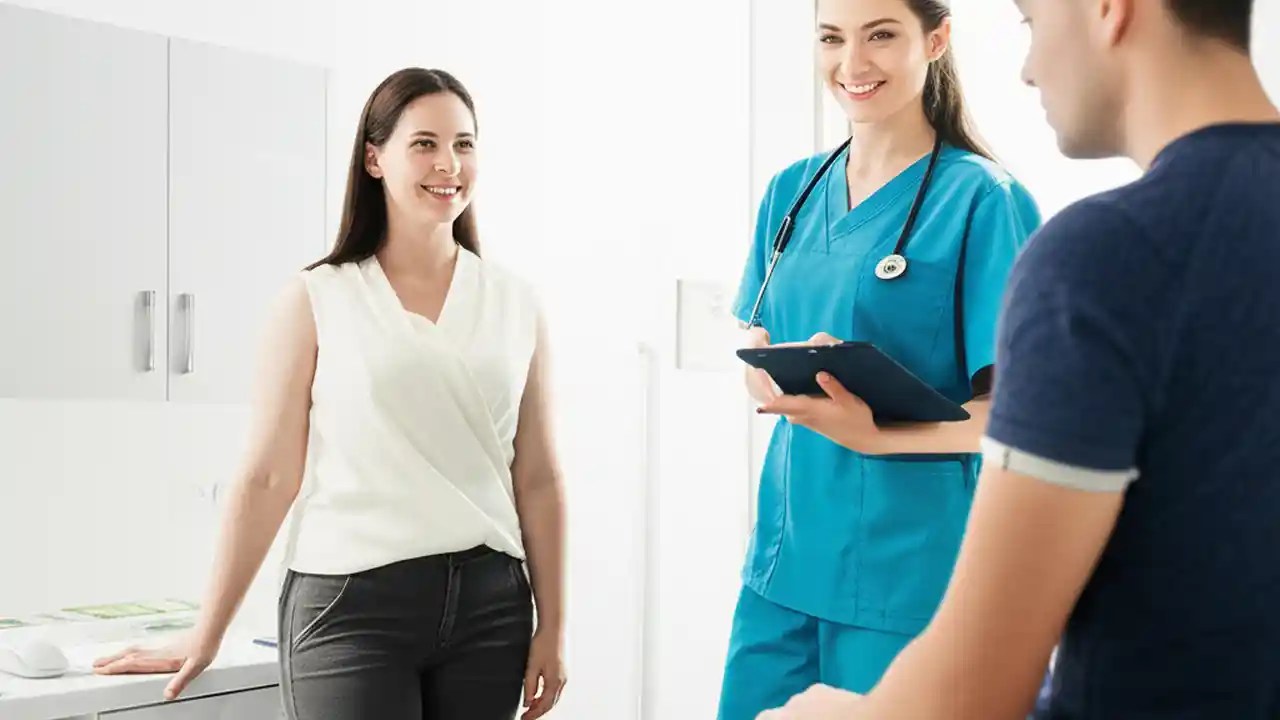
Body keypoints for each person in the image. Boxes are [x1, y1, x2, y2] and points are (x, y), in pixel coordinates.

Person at [759, 0, 1280, 718]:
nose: (1030, 69)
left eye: (1033, 21)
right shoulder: (796, 187)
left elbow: (973, 690)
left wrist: (815, 714)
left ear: (1109, 9)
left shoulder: (1103, 259)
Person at [90, 68, 569, 720]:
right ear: (375, 158)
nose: (448, 164)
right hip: (352, 604)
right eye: (423, 143)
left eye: (464, 143)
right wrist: (207, 632)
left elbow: (537, 478)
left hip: (492, 608)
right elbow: (267, 476)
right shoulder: (319, 297)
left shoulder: (516, 302)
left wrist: (553, 626)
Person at [716, 0, 1041, 717]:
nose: (851, 63)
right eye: (832, 38)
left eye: (881, 35)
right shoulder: (792, 191)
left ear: (936, 39)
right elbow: (758, 346)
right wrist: (775, 369)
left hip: (908, 574)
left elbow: (1020, 419)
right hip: (784, 559)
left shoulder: (985, 201)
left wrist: (876, 434)